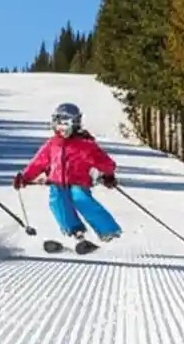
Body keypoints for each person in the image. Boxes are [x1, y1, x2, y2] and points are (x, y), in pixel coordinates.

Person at [13, 102, 121, 252]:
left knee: (80, 198)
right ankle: (75, 234)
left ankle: (108, 231)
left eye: (65, 124)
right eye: (58, 124)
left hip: (79, 182)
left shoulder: (85, 144)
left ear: (75, 123)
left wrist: (108, 175)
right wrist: (25, 177)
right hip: (57, 182)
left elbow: (104, 161)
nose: (61, 129)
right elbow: (39, 162)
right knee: (57, 202)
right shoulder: (53, 144)